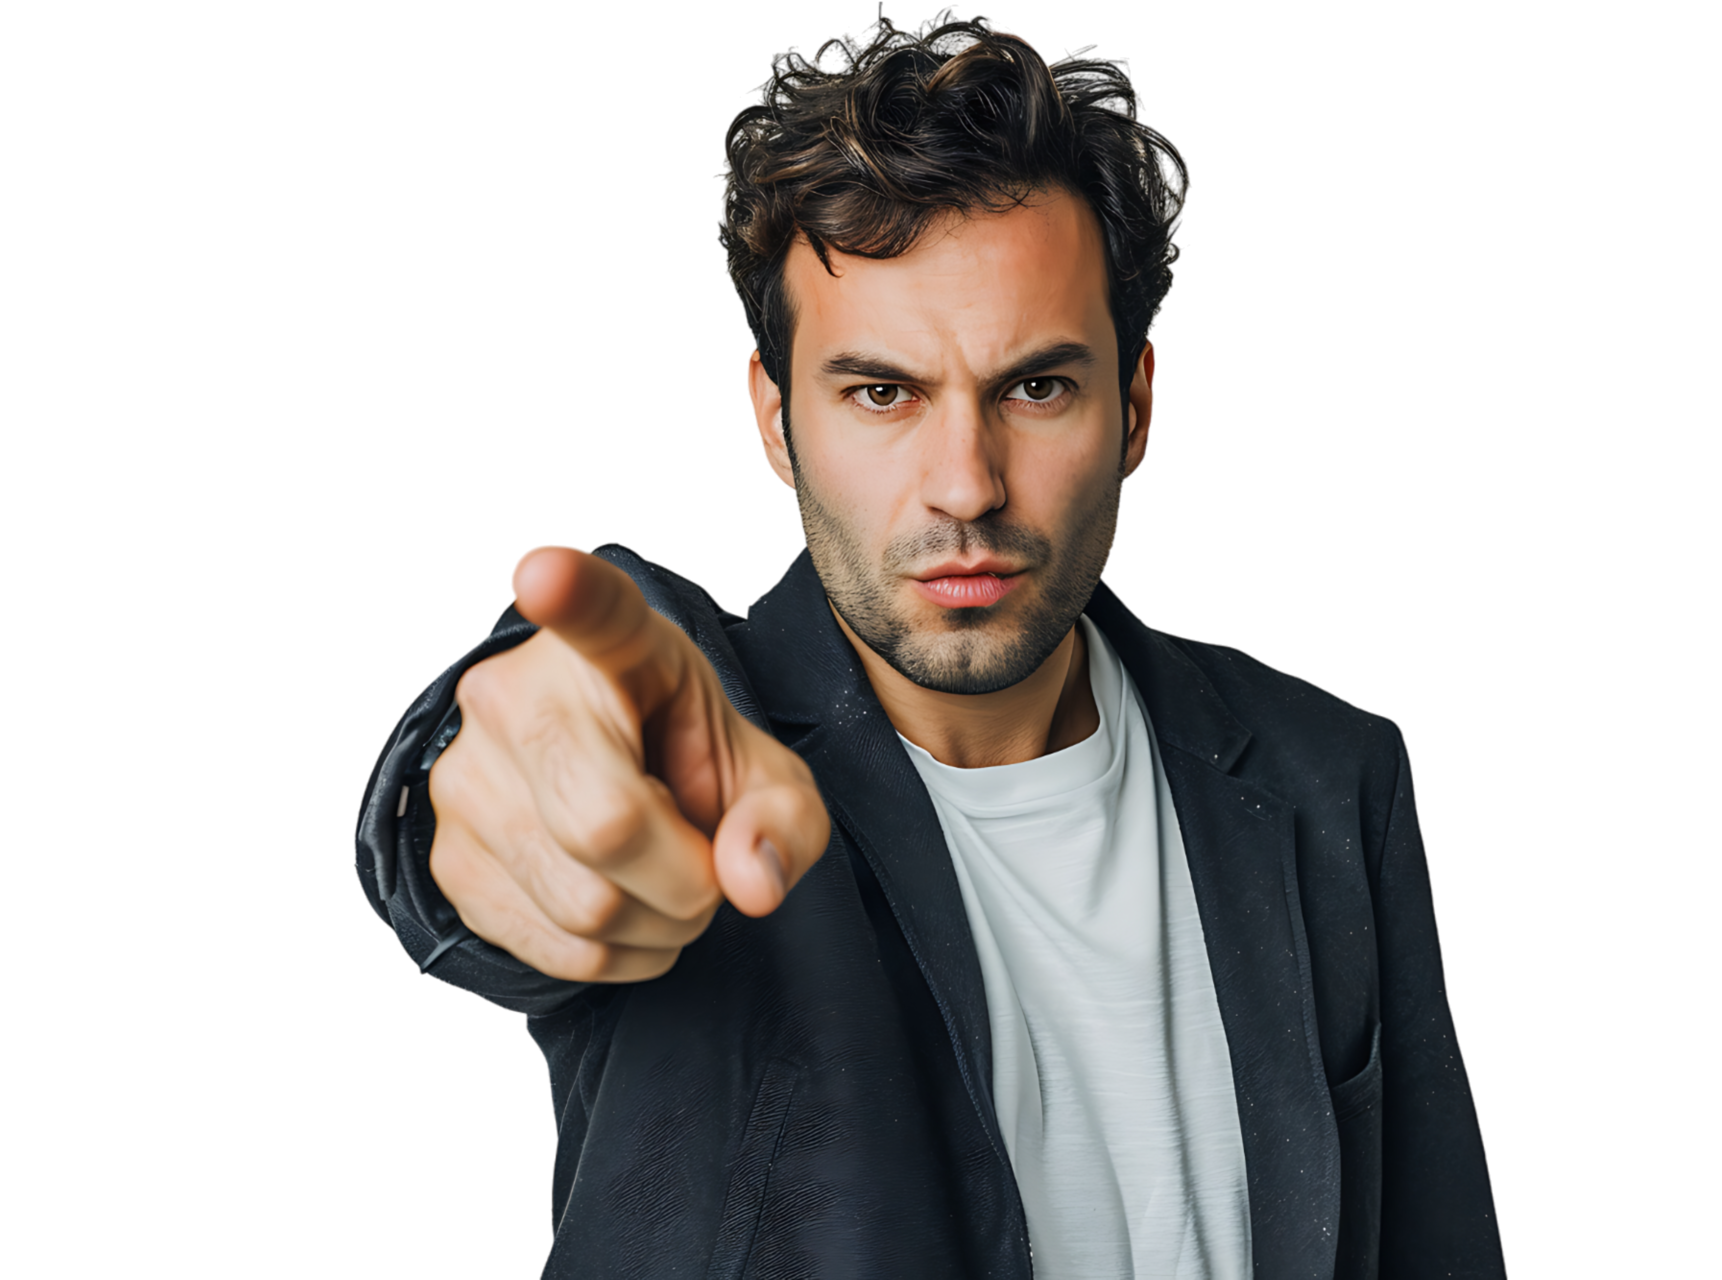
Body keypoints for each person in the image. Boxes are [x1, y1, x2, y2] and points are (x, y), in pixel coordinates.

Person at [354, 9, 1501, 1277]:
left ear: (1137, 407)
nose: (966, 484)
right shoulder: (697, 759)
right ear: (776, 419)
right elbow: (507, 786)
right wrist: (481, 793)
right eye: (882, 392)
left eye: (1036, 386)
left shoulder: (1333, 773)